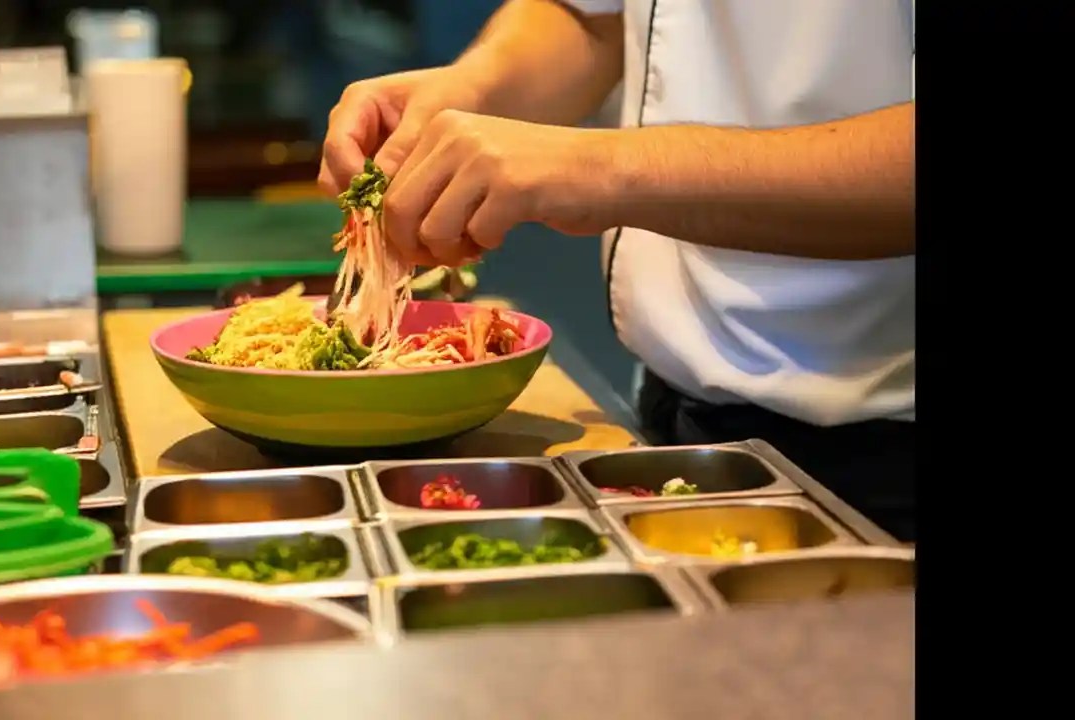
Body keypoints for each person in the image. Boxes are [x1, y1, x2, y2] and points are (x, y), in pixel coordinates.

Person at [317, 0, 916, 542]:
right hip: (675, 420)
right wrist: (470, 90)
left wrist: (608, 169)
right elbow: (591, 18)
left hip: (882, 447)